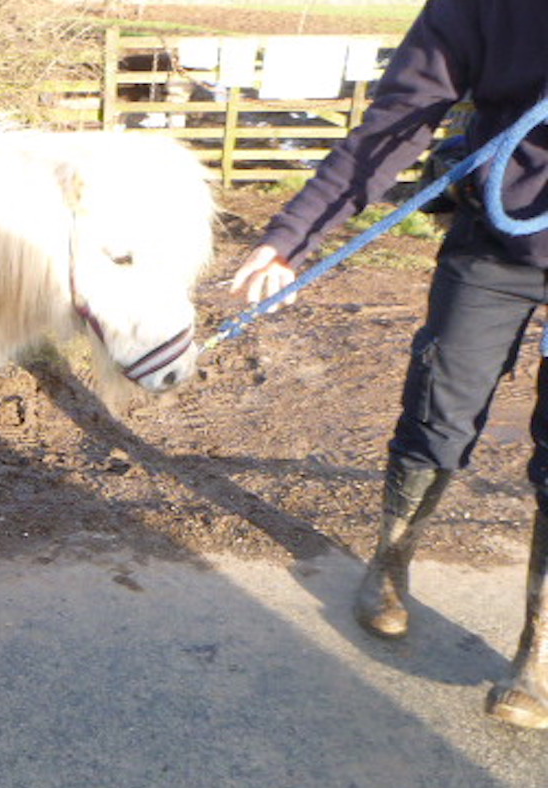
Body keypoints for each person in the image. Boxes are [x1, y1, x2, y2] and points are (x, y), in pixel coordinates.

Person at [230, 0, 548, 729]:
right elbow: (395, 125)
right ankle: (393, 558)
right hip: (494, 240)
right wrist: (291, 236)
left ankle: (537, 648)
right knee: (437, 409)